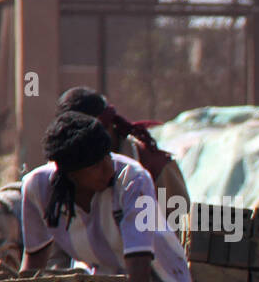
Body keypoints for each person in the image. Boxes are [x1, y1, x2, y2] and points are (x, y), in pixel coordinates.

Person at [19, 112, 194, 282]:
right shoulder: (37, 188)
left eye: (107, 156)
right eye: (96, 166)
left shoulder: (133, 179)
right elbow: (34, 261)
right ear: (71, 173)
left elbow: (139, 266)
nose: (109, 168)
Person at [56, 87, 190, 231]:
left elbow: (183, 233)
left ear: (110, 127)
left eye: (96, 135)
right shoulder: (59, 176)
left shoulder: (155, 166)